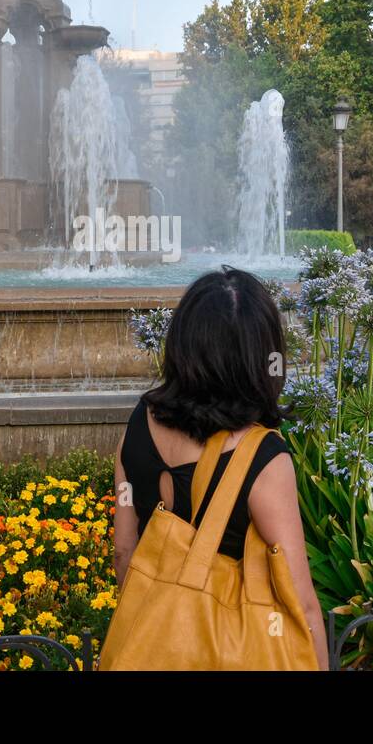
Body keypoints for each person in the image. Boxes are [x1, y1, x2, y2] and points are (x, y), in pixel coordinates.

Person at [111, 266, 328, 669]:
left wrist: (153, 624)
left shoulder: (139, 423)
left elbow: (124, 551)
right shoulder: (262, 457)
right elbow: (300, 601)